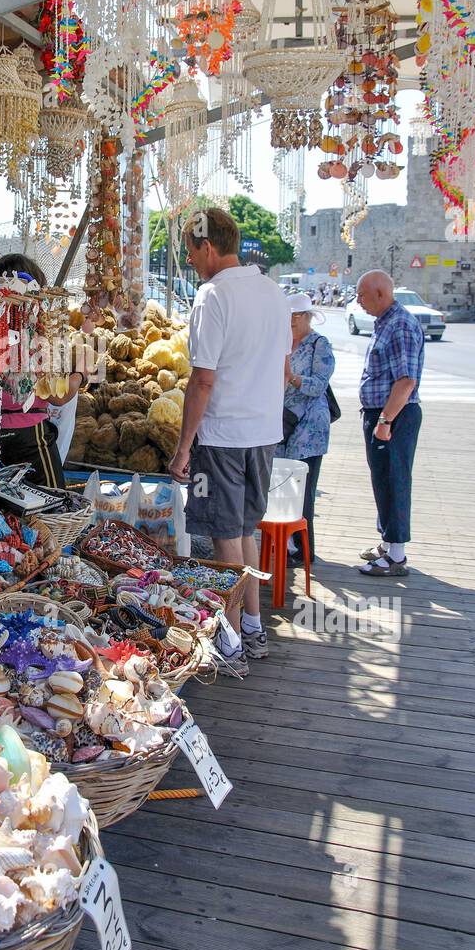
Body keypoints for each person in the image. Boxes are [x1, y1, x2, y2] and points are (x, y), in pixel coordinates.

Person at [168, 207, 292, 673]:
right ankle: (254, 628)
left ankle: (233, 640)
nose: (191, 261)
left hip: (221, 436)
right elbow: (284, 371)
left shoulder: (212, 295)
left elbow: (202, 380)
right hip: (262, 434)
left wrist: (184, 446)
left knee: (225, 541)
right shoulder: (274, 293)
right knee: (245, 532)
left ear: (208, 246)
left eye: (191, 252)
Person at [0, 253, 83, 488]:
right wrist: (81, 373)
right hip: (28, 436)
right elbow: (58, 396)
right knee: (50, 506)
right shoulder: (33, 336)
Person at [355, 269, 424, 575]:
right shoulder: (386, 321)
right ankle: (388, 542)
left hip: (394, 414)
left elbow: (406, 380)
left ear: (381, 293)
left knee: (394, 480)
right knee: (382, 479)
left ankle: (396, 555)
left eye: (362, 295)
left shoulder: (400, 324)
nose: (358, 302)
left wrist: (385, 420)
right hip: (384, 414)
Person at [275, 292, 336, 565]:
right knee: (282, 489)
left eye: (294, 319)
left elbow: (319, 384)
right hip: (283, 424)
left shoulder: (319, 345)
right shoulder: (282, 342)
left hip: (309, 429)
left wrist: (293, 378)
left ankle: (303, 548)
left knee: (305, 492)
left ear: (305, 318)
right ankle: (285, 543)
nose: (290, 324)